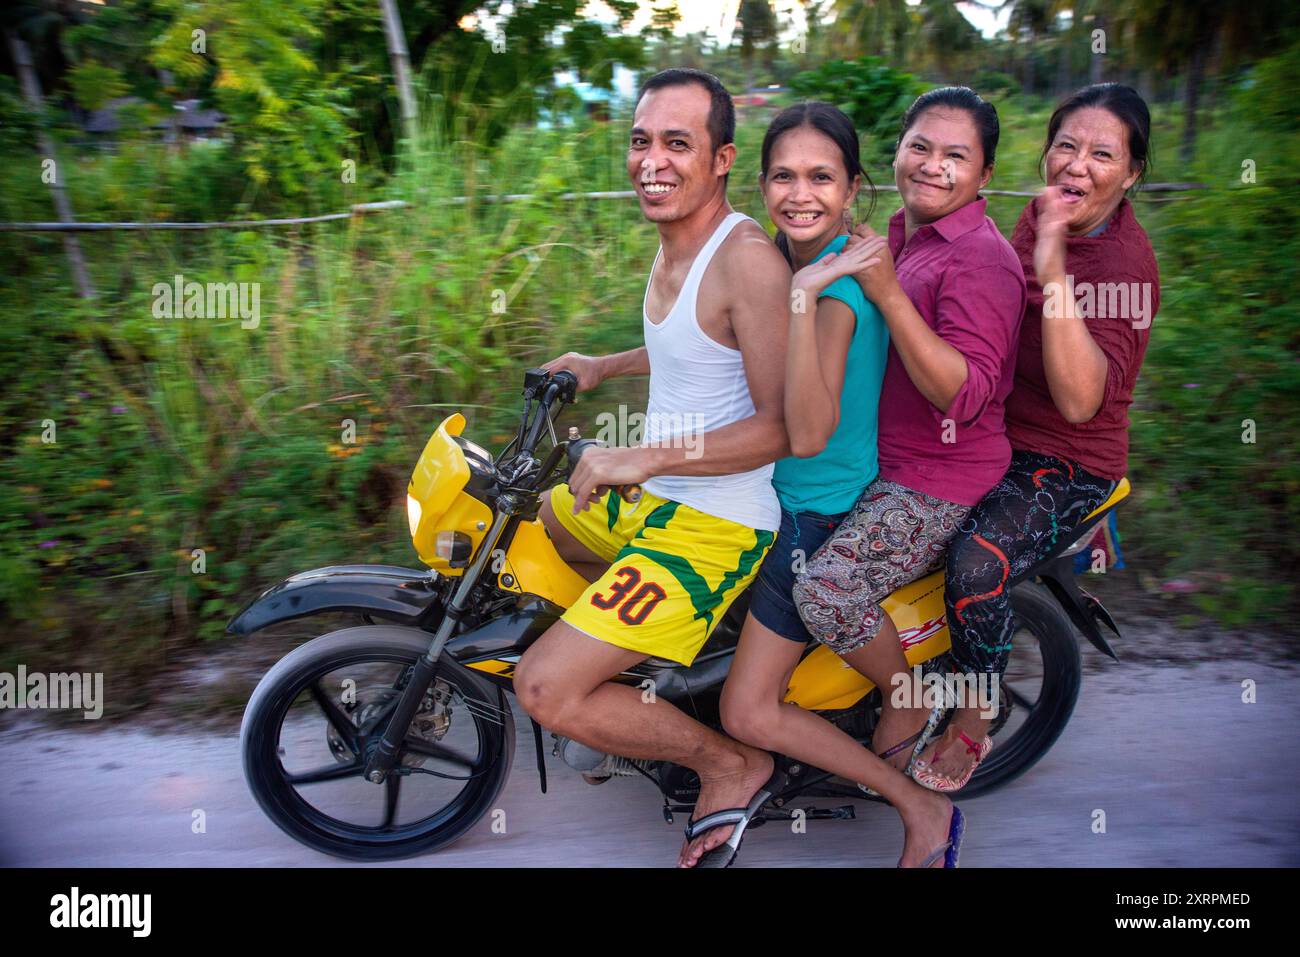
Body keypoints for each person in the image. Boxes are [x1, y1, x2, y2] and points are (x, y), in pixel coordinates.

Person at [511, 68, 792, 867]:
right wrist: (603, 364)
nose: (652, 161)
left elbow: (780, 428)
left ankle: (729, 763)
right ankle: (636, 696)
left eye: (678, 143)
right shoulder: (676, 240)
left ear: (724, 158)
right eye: (641, 141)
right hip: (658, 498)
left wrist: (641, 455)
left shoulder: (746, 262)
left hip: (717, 523)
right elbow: (695, 349)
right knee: (535, 528)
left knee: (543, 688)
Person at [708, 101, 964, 868]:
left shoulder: (836, 290)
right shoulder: (798, 263)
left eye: (821, 176)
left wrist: (802, 295)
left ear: (853, 187)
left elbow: (808, 431)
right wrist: (601, 364)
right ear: (760, 186)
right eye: (783, 175)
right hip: (770, 488)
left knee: (748, 708)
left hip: (812, 512)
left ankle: (922, 808)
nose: (800, 193)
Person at [916, 83, 1159, 791]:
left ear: (1132, 173)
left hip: (1064, 460)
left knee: (973, 567)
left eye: (1102, 154)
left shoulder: (1125, 268)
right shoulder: (1038, 213)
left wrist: (1053, 273)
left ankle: (974, 717)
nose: (1078, 166)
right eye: (1067, 146)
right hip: (992, 424)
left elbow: (1081, 401)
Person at [792, 88, 1027, 796]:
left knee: (827, 591)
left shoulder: (980, 260)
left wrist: (889, 292)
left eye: (956, 156)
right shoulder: (900, 233)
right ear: (897, 151)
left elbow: (963, 392)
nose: (932, 165)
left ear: (984, 176)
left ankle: (905, 692)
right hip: (872, 456)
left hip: (936, 476)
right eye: (920, 146)